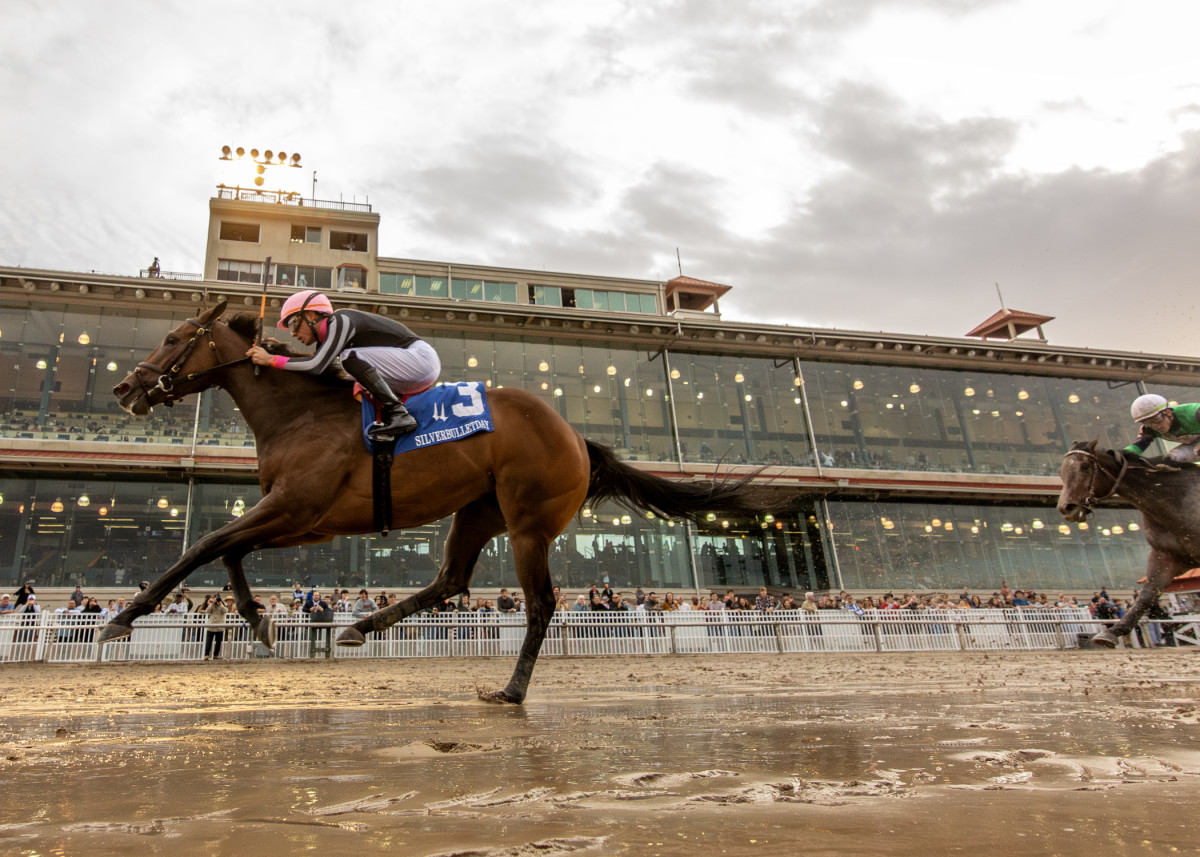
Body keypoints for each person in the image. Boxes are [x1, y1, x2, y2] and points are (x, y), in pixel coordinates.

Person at [245, 289, 441, 440]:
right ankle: (391, 413)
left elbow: (315, 365)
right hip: (410, 369)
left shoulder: (341, 320)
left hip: (421, 359)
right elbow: (314, 364)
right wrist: (276, 351)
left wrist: (271, 360)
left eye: (293, 323)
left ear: (311, 315)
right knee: (348, 366)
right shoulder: (329, 337)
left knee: (348, 358)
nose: (293, 333)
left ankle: (399, 413)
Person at [1126, 394, 1200, 462]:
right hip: (1194, 444)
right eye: (1147, 423)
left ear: (1168, 412)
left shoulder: (1194, 413)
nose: (1155, 426)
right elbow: (1137, 446)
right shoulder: (1148, 429)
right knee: (1172, 460)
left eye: (1156, 420)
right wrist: (1119, 456)